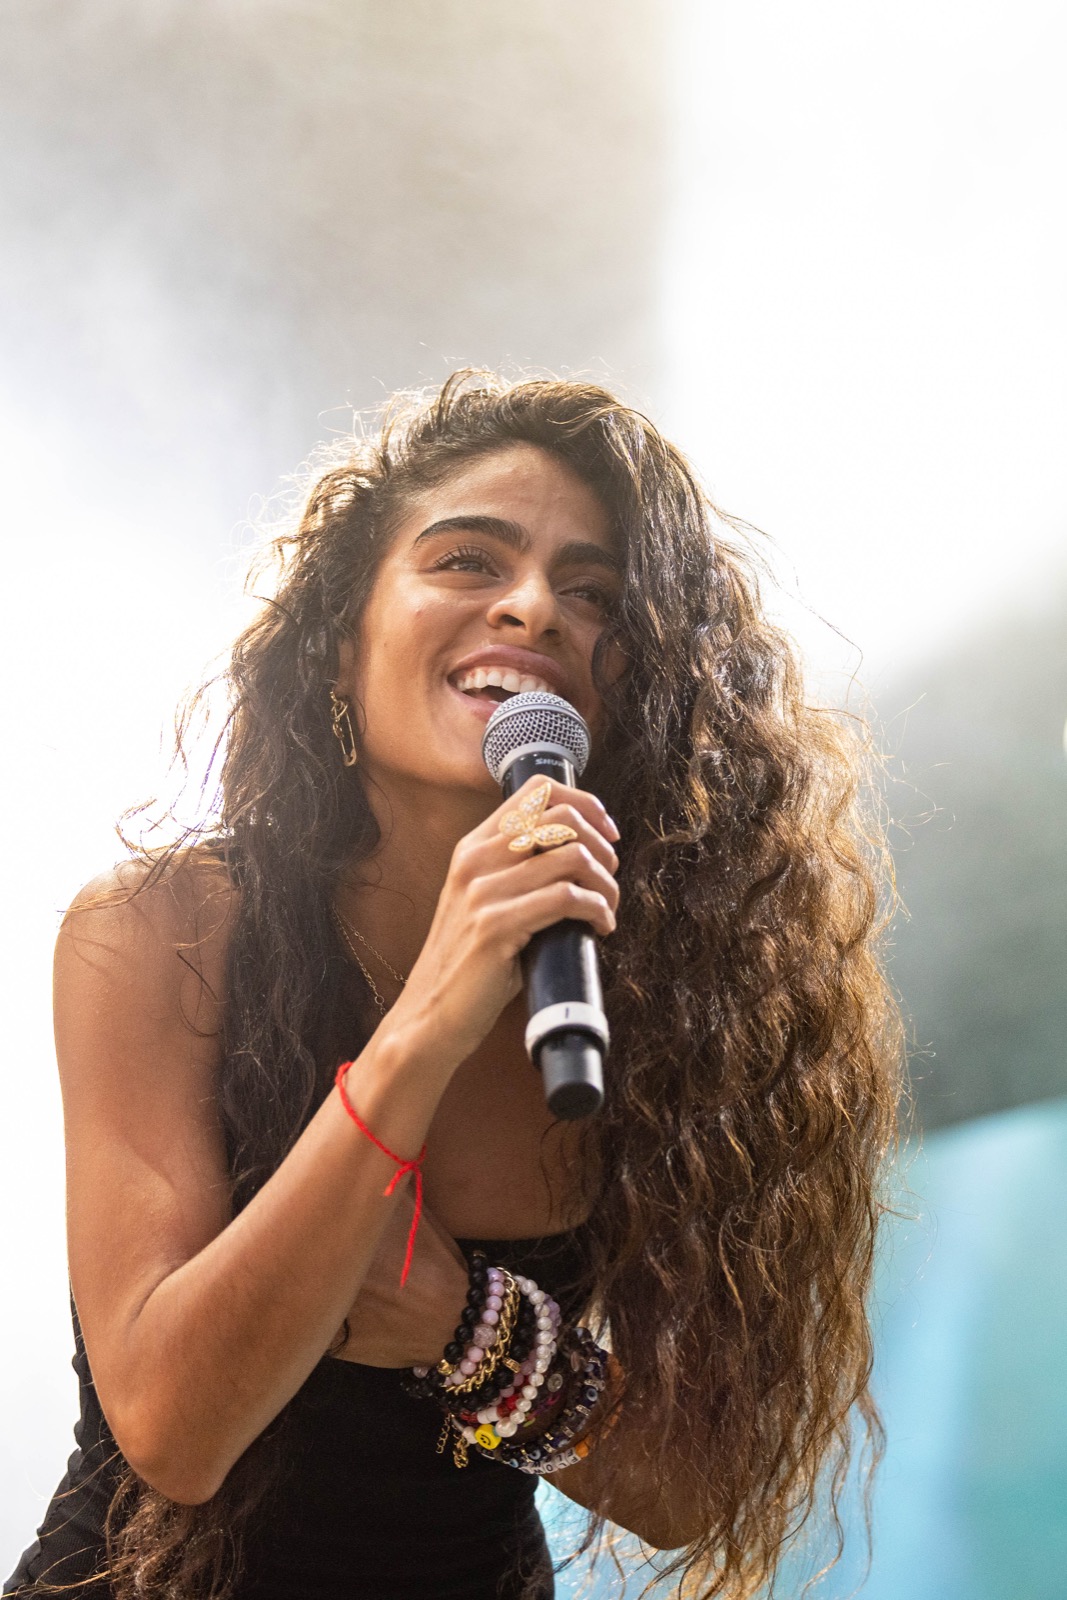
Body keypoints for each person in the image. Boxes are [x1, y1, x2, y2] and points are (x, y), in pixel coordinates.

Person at [5, 372, 902, 1600]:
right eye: (467, 560)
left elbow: (696, 1479)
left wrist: (466, 1326)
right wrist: (431, 1012)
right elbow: (173, 1429)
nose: (531, 606)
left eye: (592, 592)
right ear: (342, 643)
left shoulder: (676, 999)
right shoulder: (159, 930)